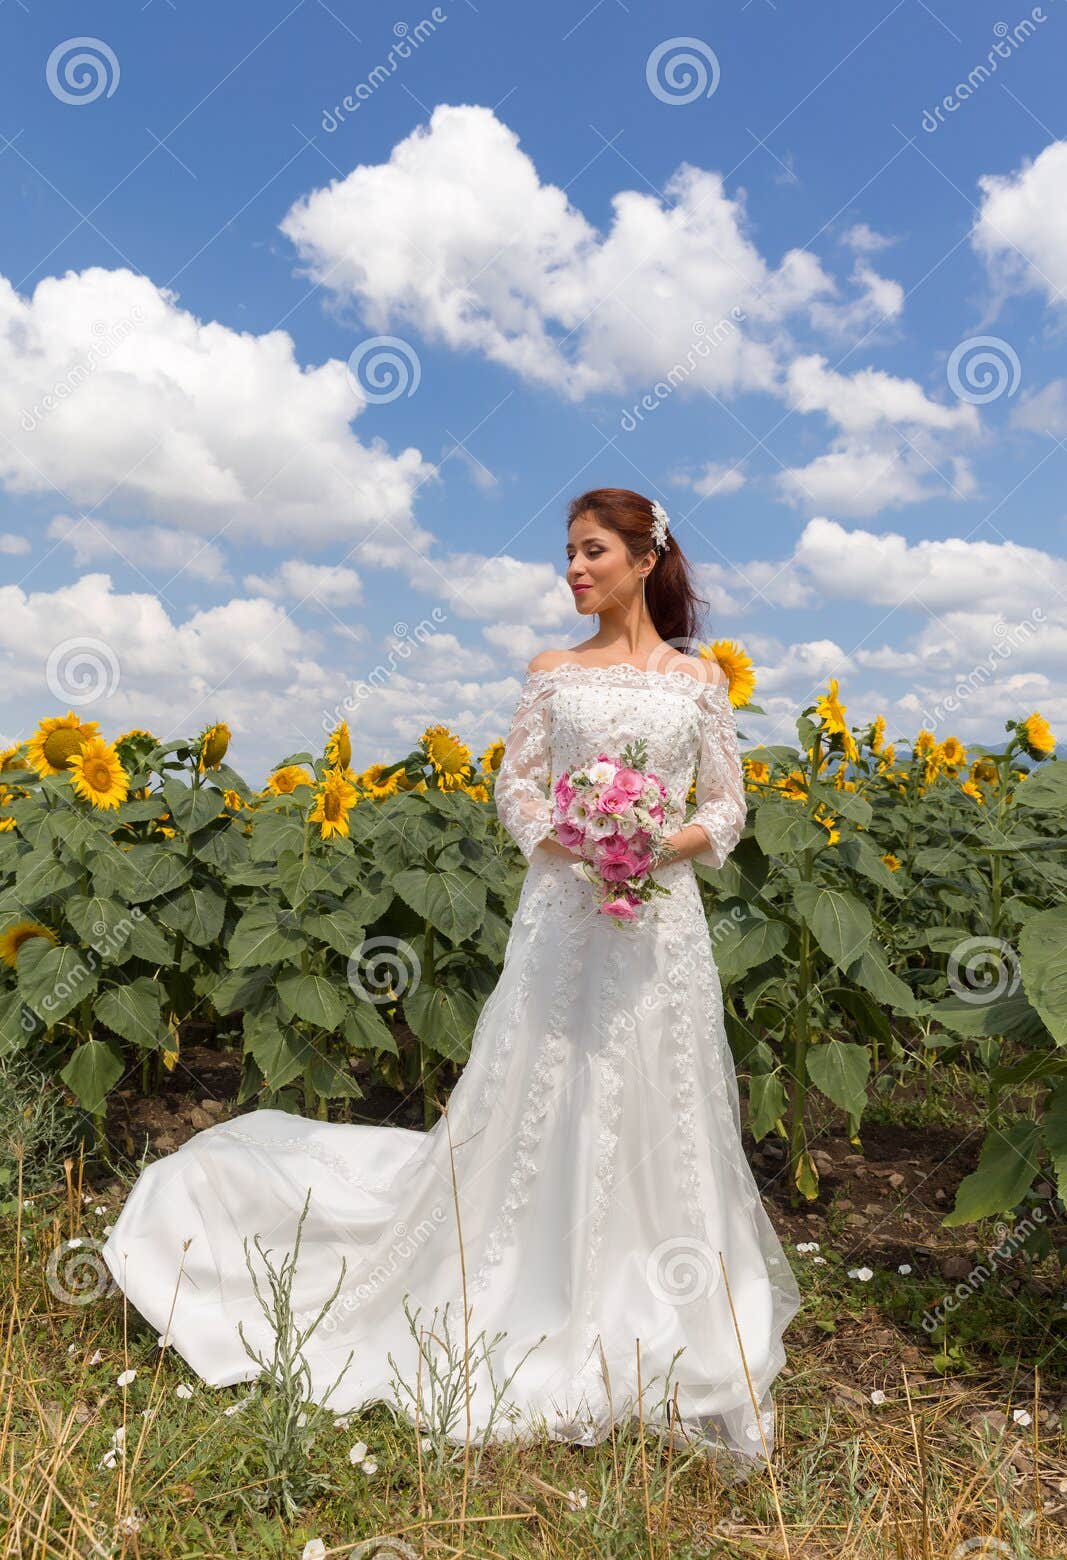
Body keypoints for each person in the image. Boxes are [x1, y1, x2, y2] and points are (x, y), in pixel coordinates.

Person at [102, 487, 799, 1458]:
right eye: (566, 552)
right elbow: (513, 787)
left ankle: (655, 1298)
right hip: (563, 913)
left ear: (645, 559)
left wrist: (652, 845)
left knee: (658, 1097)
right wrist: (576, 835)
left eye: (591, 550)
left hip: (656, 926)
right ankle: (524, 1289)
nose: (572, 568)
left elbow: (724, 807)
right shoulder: (551, 673)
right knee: (543, 1091)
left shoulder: (696, 685)